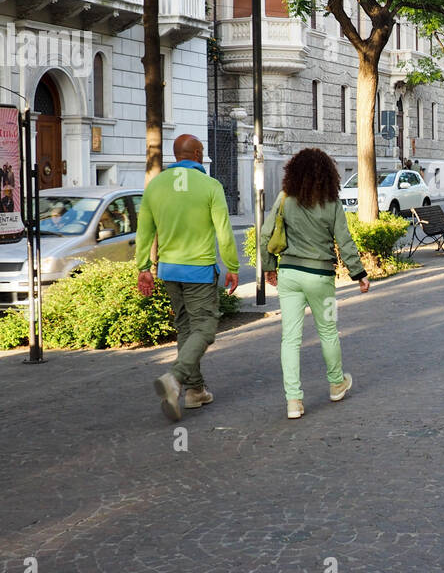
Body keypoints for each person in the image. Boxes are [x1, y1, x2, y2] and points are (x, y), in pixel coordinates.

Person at [136, 134, 239, 423]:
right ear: (195, 153)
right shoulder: (210, 186)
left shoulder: (155, 186)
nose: (203, 155)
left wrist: (144, 267)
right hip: (199, 271)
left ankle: (195, 391)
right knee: (205, 330)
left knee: (185, 329)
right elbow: (224, 231)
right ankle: (176, 379)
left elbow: (144, 231)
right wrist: (231, 265)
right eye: (202, 151)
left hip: (169, 270)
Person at [263, 148, 369, 420]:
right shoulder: (331, 203)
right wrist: (359, 274)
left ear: (293, 172)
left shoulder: (284, 199)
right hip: (321, 278)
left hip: (289, 275)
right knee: (328, 331)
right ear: (327, 175)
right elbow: (344, 240)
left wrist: (268, 267)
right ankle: (336, 384)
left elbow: (265, 235)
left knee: (290, 338)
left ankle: (293, 401)